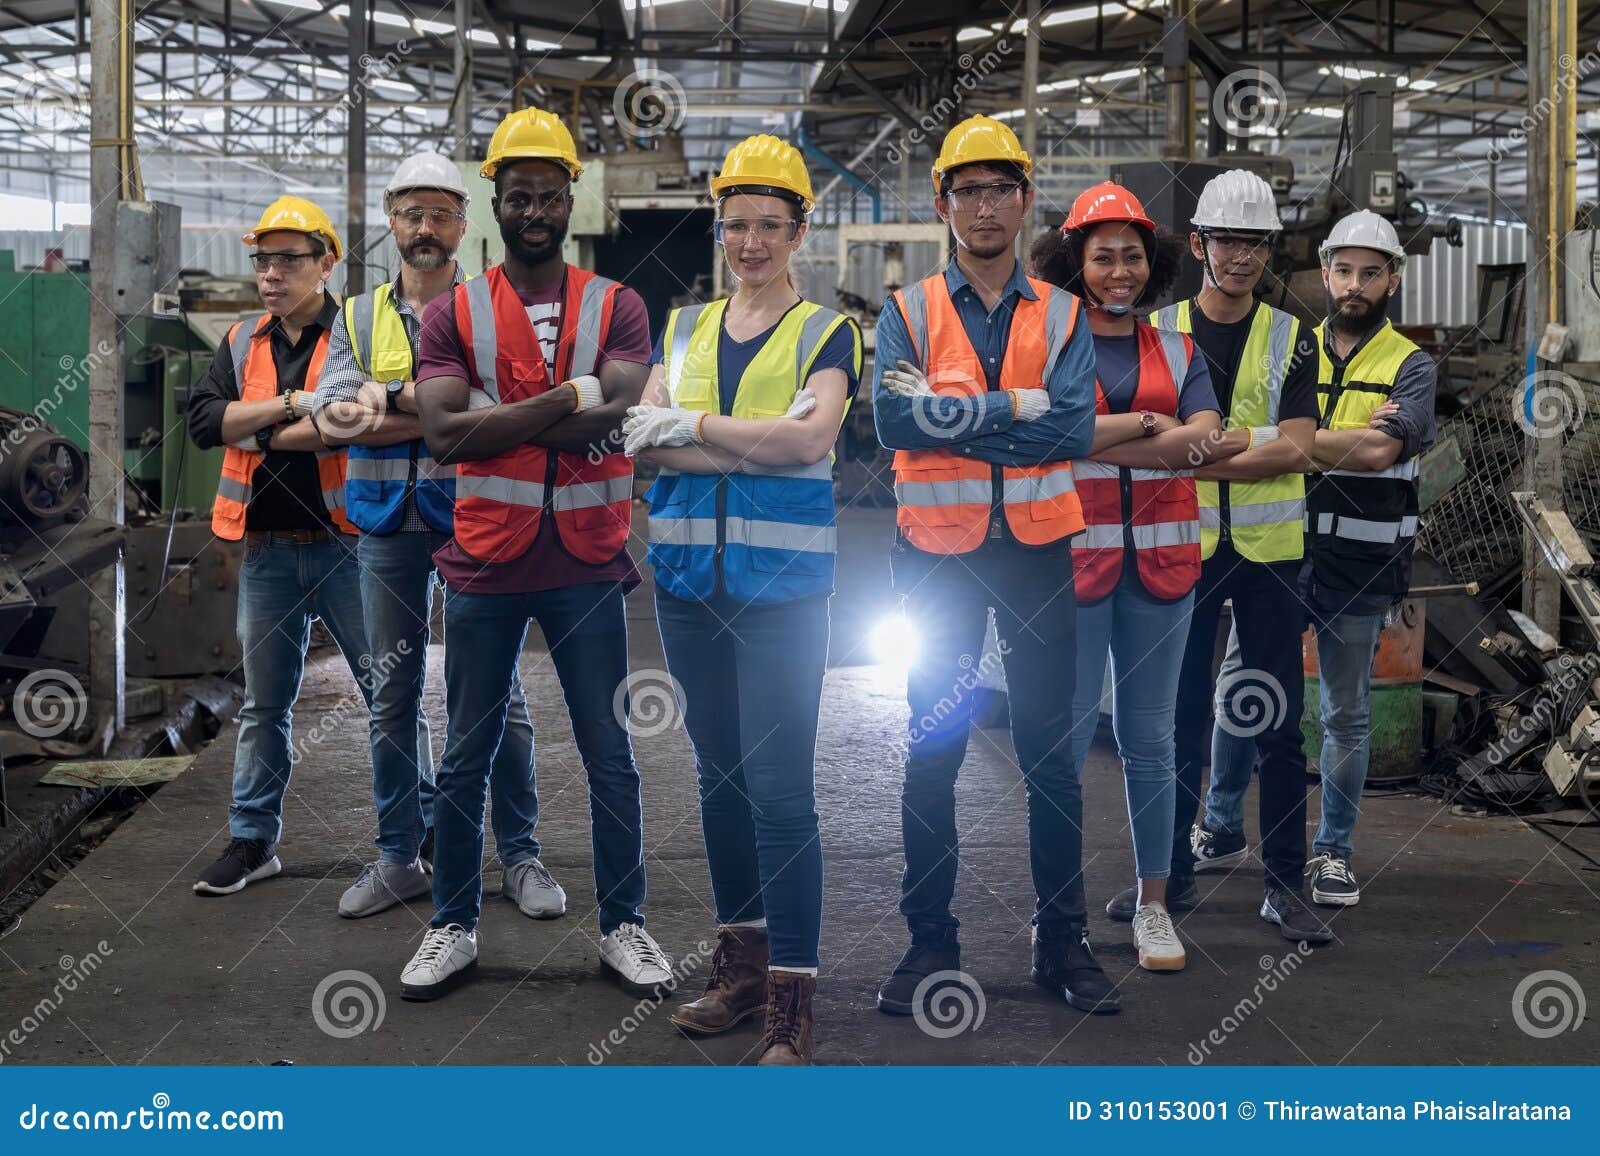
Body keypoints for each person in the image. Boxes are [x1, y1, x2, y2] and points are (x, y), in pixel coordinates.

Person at [401, 107, 671, 999]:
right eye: (516, 196)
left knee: (609, 750)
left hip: (588, 558)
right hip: (487, 558)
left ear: (569, 198)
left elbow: (623, 419)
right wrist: (568, 399)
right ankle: (451, 927)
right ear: (496, 202)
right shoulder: (453, 312)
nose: (533, 210)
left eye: (548, 195)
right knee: (466, 753)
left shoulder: (617, 303)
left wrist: (501, 420)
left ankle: (624, 925)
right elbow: (443, 437)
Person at [623, 134, 861, 1065]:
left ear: (800, 231)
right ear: (718, 230)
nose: (752, 243)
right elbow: (645, 444)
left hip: (784, 596)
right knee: (718, 782)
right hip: (687, 588)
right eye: (737, 226)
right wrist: (729, 435)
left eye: (770, 226)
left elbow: (811, 443)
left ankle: (794, 1002)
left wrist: (692, 426)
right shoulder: (680, 329)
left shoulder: (826, 332)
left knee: (779, 793)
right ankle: (742, 965)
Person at [870, 115, 1114, 1016]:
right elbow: (893, 423)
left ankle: (1064, 947)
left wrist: (958, 416)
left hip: (1039, 555)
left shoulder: (1063, 313)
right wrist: (1016, 407)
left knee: (1051, 759)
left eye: (1000, 189)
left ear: (1023, 202)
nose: (983, 206)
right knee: (932, 752)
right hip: (936, 560)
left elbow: (1076, 427)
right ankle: (929, 947)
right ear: (943, 203)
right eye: (967, 190)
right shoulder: (905, 312)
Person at [314, 152, 542, 921]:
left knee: (498, 695)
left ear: (462, 223)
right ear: (391, 220)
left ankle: (520, 856)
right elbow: (330, 417)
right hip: (385, 530)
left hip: (477, 521)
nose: (425, 228)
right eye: (412, 213)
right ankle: (399, 857)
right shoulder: (355, 314)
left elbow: (497, 410)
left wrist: (391, 401)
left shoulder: (492, 309)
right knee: (391, 696)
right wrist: (430, 410)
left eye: (441, 213)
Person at [1197, 211, 1435, 910]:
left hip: (1360, 562)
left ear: (1393, 278)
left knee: (1345, 713)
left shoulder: (1411, 366)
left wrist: (1285, 437)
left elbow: (1379, 451)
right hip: (1276, 552)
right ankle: (1219, 829)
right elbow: (1251, 439)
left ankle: (1331, 853)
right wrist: (1313, 436)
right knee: (1239, 695)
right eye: (1343, 271)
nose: (1354, 286)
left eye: (1370, 273)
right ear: (1324, 274)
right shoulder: (1288, 347)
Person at [1029, 182, 1239, 972]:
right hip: (1073, 566)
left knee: (1150, 739)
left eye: (1131, 256)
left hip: (1162, 570)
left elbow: (1203, 447)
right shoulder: (1048, 346)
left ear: (1149, 265)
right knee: (1065, 739)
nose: (1118, 270)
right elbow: (1043, 438)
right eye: (1102, 256)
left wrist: (1091, 440)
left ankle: (1154, 908)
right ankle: (1060, 913)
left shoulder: (1180, 350)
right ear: (1075, 263)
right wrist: (1153, 426)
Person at [1129, 168, 1332, 945]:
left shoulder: (1291, 337)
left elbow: (1302, 449)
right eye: (1228, 241)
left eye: (1255, 244)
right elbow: (1149, 439)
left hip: (1271, 554)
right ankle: (1168, 880)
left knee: (1278, 722)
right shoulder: (1163, 332)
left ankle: (1284, 885)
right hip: (1183, 545)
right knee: (1174, 718)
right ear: (1202, 245)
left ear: (1266, 251)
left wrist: (1198, 453)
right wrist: (1248, 446)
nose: (1241, 257)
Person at [185, 197, 371, 896]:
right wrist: (293, 405)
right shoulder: (240, 340)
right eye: (262, 258)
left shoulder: (356, 332)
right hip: (265, 552)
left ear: (326, 263)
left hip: (349, 547)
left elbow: (345, 422)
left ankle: (417, 834)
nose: (270, 273)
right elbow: (204, 422)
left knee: (389, 696)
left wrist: (252, 423)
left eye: (288, 258)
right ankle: (253, 841)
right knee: (264, 706)